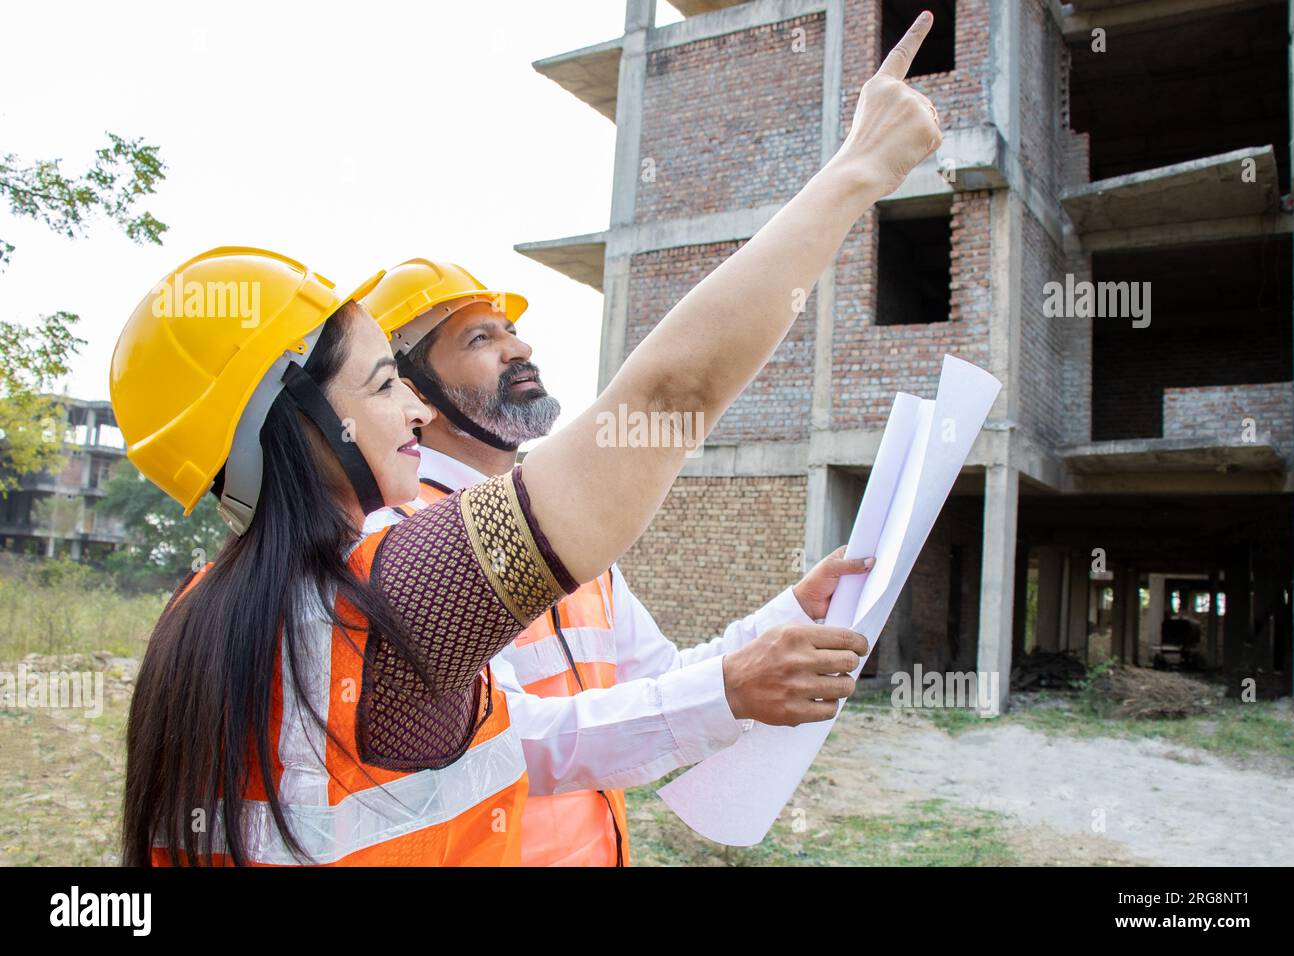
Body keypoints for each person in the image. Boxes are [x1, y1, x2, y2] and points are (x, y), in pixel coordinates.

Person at [110, 11, 943, 866]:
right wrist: (861, 167)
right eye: (384, 384)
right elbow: (670, 395)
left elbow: (645, 682)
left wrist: (776, 627)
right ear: (294, 429)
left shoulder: (201, 611)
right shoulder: (389, 596)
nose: (412, 413)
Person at [359, 259, 875, 866]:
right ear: (413, 391)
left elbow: (658, 677)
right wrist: (727, 692)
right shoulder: (397, 537)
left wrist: (792, 612)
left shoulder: (565, 531)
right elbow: (503, 738)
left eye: (510, 330)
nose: (519, 348)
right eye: (480, 338)